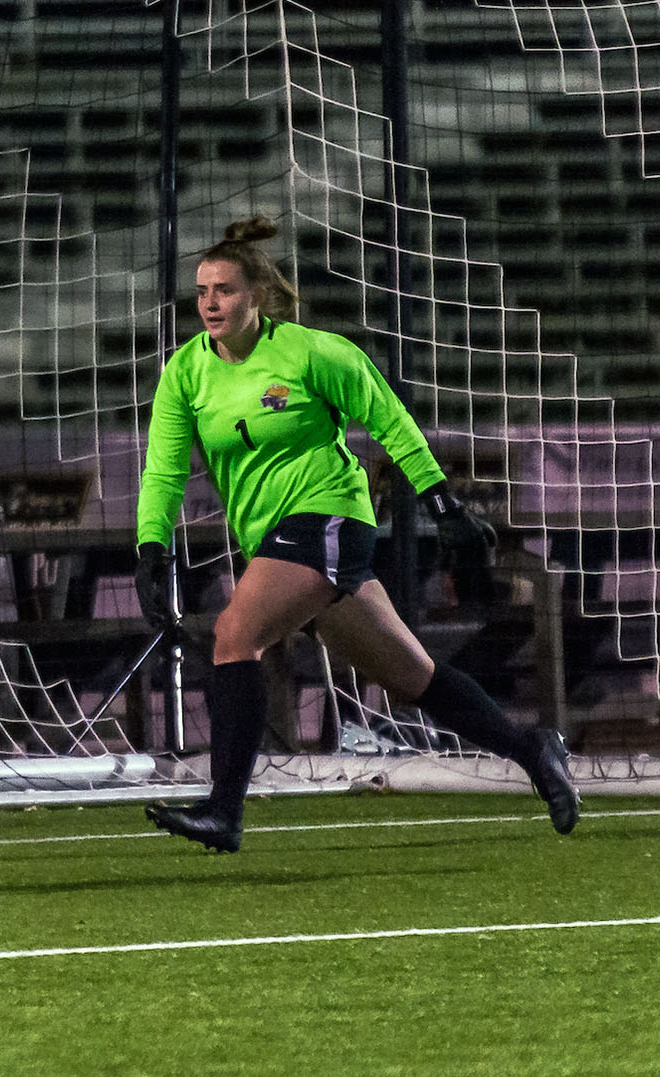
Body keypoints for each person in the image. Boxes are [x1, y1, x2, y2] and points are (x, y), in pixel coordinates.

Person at [134, 217, 578, 854]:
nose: (209, 302)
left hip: (330, 516)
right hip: (271, 537)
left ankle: (224, 810)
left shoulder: (315, 353)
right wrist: (152, 548)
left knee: (235, 634)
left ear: (255, 297)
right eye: (202, 291)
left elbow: (390, 421)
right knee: (412, 677)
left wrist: (441, 503)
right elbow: (165, 468)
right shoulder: (187, 372)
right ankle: (532, 747)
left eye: (224, 290)